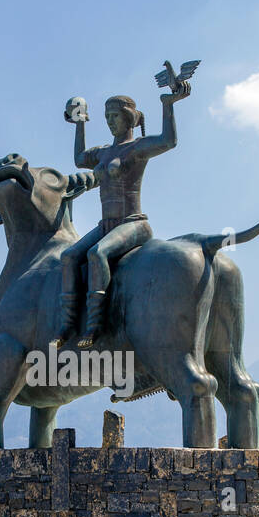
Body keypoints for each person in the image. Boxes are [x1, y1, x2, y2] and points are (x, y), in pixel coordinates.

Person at [54, 83, 191, 348]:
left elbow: (168, 141)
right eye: (106, 118)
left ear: (128, 116)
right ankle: (67, 325)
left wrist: (168, 105)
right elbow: (80, 158)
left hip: (133, 223)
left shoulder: (137, 148)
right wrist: (80, 123)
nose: (109, 122)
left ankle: (95, 324)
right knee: (69, 256)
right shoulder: (104, 152)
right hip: (106, 225)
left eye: (114, 116)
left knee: (98, 253)